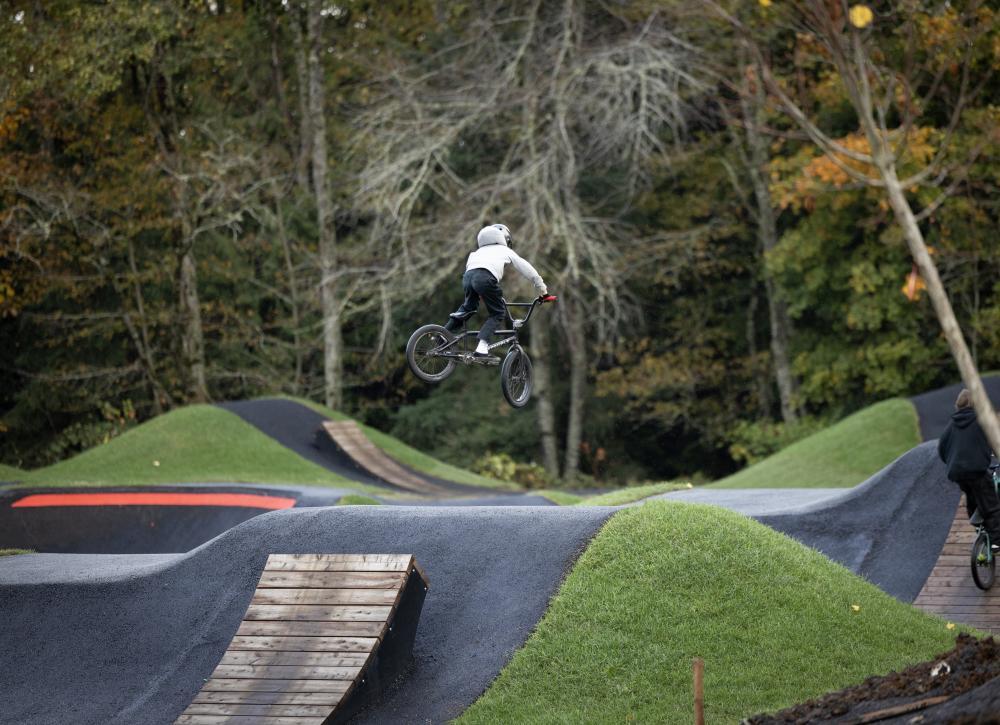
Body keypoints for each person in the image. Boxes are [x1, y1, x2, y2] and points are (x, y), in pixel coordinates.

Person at [444, 224, 548, 358]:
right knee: (498, 312)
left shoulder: (476, 252)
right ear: (505, 239)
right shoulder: (504, 250)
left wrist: (479, 290)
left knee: (468, 307)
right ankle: (482, 347)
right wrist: (542, 288)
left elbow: (473, 271)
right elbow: (526, 268)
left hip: (468, 278)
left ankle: (443, 334)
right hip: (485, 278)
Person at [937, 389, 1000, 546]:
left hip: (957, 472)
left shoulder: (951, 425)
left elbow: (941, 448)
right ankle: (996, 542)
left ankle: (979, 528)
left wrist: (953, 462)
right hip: (976, 470)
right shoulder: (981, 421)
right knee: (992, 505)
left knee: (973, 495)